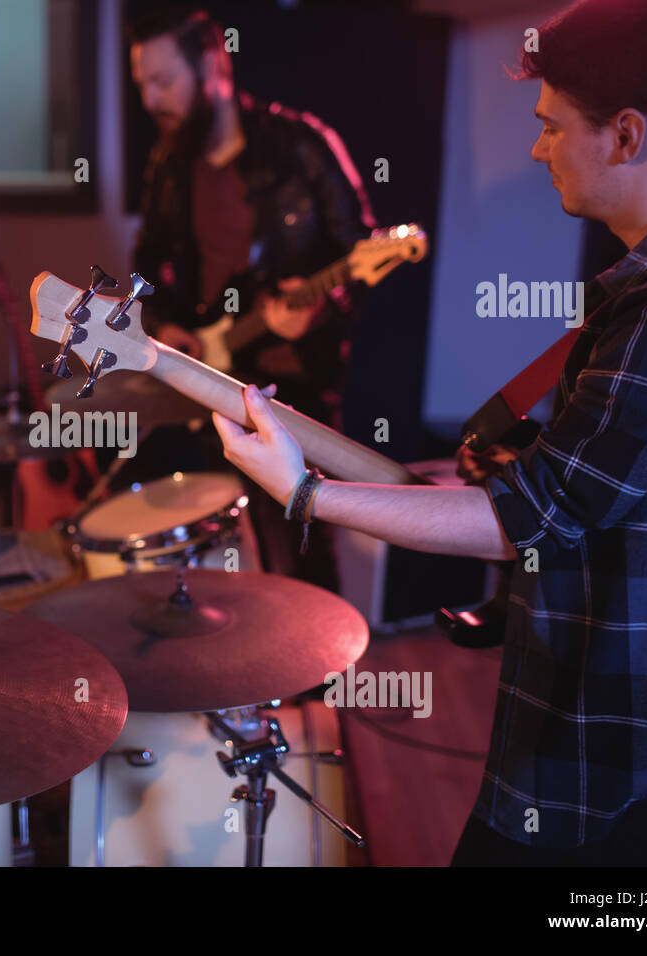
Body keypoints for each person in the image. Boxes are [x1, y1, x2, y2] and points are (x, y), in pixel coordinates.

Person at [213, 0, 647, 864]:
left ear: (627, 135)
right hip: (583, 708)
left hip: (609, 752)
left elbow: (525, 518)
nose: (537, 149)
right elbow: (588, 488)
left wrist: (306, 490)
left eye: (551, 126)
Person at [127, 7, 376, 588]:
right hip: (210, 370)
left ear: (214, 65)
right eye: (142, 84)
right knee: (216, 538)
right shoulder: (168, 163)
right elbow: (147, 263)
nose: (150, 99)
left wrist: (322, 307)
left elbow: (359, 260)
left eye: (163, 81)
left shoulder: (303, 145)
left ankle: (325, 676)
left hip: (293, 383)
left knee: (305, 540)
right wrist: (165, 324)